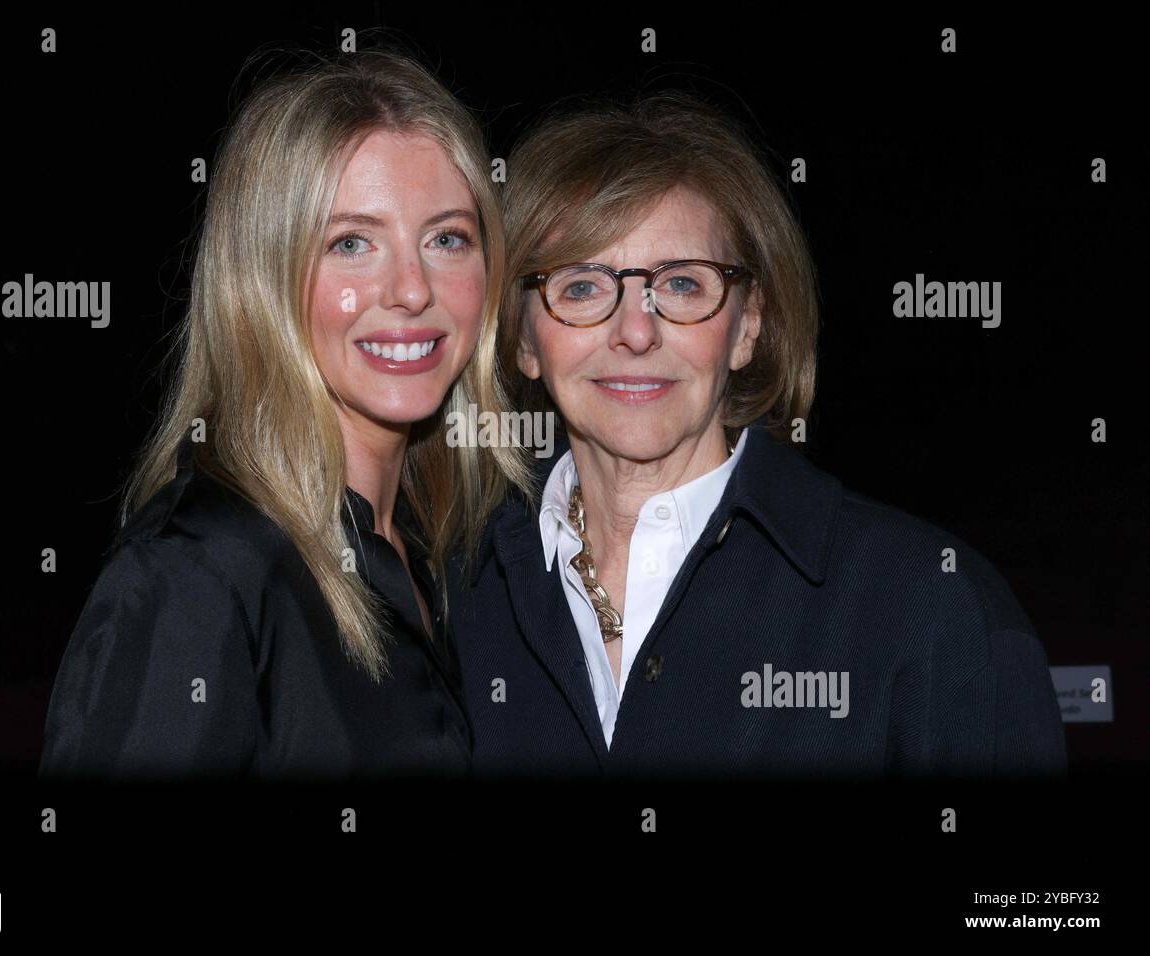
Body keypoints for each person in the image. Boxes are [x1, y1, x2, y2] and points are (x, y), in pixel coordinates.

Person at [448, 91, 1067, 779]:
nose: (636, 330)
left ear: (747, 327)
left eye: (682, 284)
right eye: (583, 287)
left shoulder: (933, 611)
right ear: (524, 336)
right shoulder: (454, 599)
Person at [38, 49, 525, 780]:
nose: (412, 288)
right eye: (352, 243)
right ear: (263, 280)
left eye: (447, 238)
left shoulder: (437, 554)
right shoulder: (197, 576)